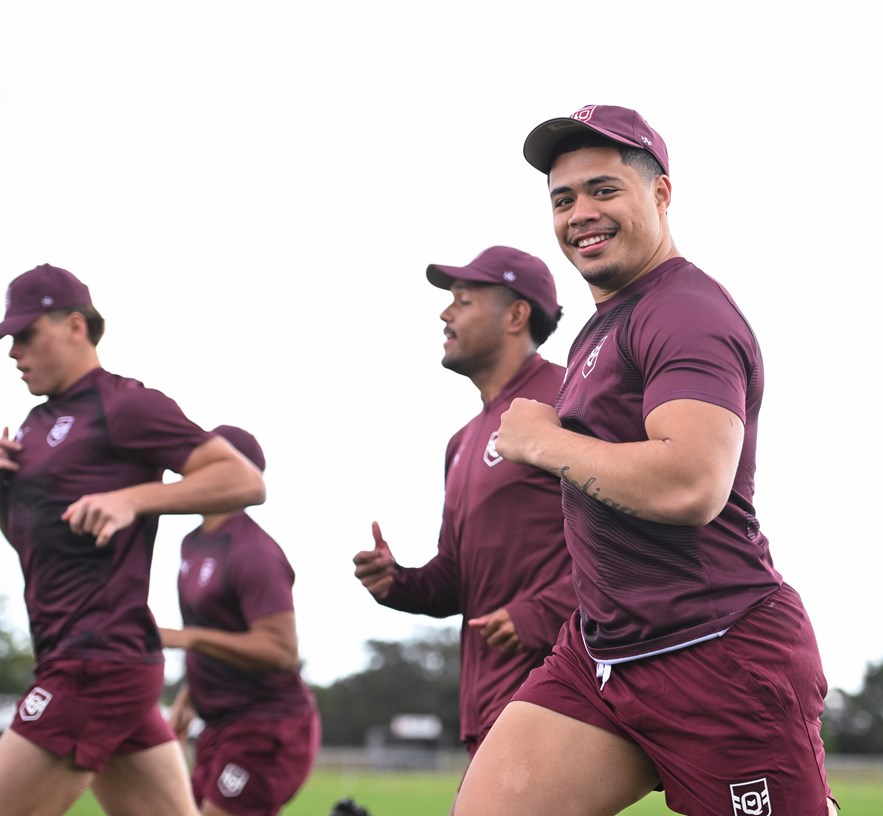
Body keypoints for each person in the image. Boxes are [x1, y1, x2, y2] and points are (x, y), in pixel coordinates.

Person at [452, 106, 839, 816]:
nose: (580, 214)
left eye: (604, 190)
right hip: (602, 656)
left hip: (718, 655)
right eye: (562, 199)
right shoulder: (607, 325)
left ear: (661, 195)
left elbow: (693, 483)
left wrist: (543, 442)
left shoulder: (685, 311)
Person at [0, 263, 266, 816]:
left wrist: (134, 499)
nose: (13, 353)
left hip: (95, 664)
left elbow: (243, 480)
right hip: (90, 661)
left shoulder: (126, 405)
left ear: (76, 326)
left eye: (27, 335)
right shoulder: (30, 426)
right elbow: (35, 542)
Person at [352, 245, 576, 759]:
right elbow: (455, 579)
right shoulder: (462, 440)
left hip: (561, 687)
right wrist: (399, 583)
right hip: (488, 701)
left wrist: (541, 615)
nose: (445, 313)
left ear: (517, 314)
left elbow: (637, 536)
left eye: (465, 299)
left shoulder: (570, 397)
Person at [159, 424, 320, 816]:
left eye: (205, 458)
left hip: (268, 725)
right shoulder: (192, 542)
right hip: (217, 724)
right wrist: (190, 695)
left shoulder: (255, 552)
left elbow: (282, 652)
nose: (188, 466)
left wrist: (189, 638)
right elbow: (219, 624)